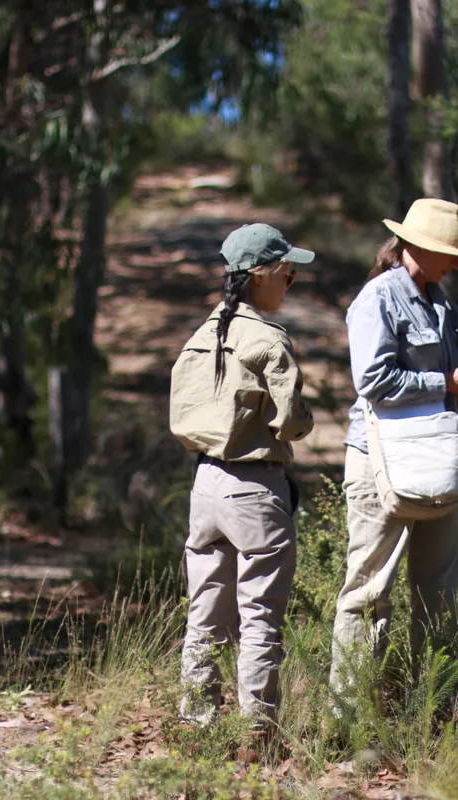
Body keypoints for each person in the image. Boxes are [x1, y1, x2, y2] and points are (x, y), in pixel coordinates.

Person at [329, 199, 458, 692]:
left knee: (440, 592)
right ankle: (350, 715)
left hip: (437, 461)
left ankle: (431, 705)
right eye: (450, 253)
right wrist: (445, 380)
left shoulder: (446, 307)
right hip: (381, 463)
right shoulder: (377, 298)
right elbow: (374, 381)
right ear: (416, 246)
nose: (457, 264)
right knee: (369, 590)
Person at [169, 222, 315, 731]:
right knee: (260, 615)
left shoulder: (202, 334)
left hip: (205, 483)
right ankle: (258, 729)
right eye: (287, 275)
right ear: (259, 275)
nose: (290, 283)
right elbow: (291, 421)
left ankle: (196, 720)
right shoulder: (268, 341)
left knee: (204, 611)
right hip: (254, 486)